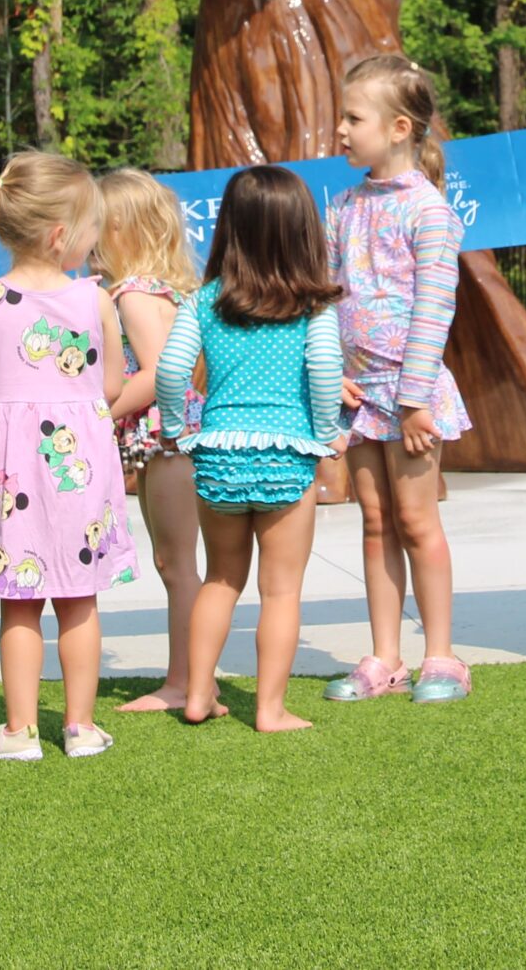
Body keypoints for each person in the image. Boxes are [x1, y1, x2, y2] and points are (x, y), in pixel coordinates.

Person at [0, 151, 138, 760]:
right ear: (59, 234)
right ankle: (81, 727)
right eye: (92, 226)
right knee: (79, 597)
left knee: (18, 604)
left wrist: (8, 432)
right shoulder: (96, 301)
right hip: (82, 469)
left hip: (10, 473)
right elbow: (111, 386)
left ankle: (20, 732)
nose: (96, 239)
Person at [154, 165, 344, 732]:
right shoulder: (314, 307)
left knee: (220, 579)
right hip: (287, 457)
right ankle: (270, 709)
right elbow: (325, 370)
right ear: (303, 231)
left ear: (229, 229)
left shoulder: (203, 302)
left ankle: (196, 696)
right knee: (280, 590)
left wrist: (174, 425)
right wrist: (325, 431)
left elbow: (170, 370)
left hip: (217, 455)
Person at [322, 54, 471, 706]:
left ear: (400, 127)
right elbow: (326, 298)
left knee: (416, 519)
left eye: (354, 118)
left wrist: (413, 402)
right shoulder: (342, 207)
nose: (341, 130)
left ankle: (442, 655)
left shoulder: (429, 211)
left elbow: (435, 309)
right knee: (376, 520)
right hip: (358, 394)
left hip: (411, 396)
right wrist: (331, 375)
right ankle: (385, 657)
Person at [94, 168, 206, 714]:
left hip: (169, 443)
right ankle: (191, 679)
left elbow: (161, 372)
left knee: (176, 565)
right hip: (172, 442)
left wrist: (96, 414)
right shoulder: (166, 291)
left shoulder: (133, 295)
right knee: (177, 563)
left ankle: (185, 683)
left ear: (120, 229)